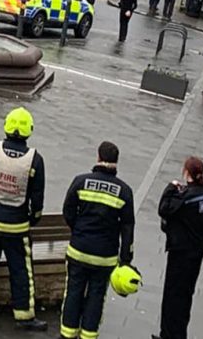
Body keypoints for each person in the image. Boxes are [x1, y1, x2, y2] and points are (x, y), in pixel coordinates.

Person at [0, 107, 48, 332]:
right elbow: (37, 197)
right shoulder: (35, 160)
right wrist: (32, 217)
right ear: (28, 131)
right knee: (21, 271)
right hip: (16, 227)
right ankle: (24, 316)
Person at [60, 141, 135, 339]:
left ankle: (67, 333)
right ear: (116, 162)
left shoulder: (80, 181)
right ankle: (88, 335)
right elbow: (128, 227)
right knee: (96, 296)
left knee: (73, 292)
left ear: (98, 157)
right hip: (105, 256)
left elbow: (68, 211)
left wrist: (78, 230)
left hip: (79, 250)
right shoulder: (124, 191)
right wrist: (126, 259)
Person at [153, 157, 203, 339]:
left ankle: (169, 334)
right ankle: (178, 333)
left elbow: (164, 208)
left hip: (181, 253)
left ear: (186, 172)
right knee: (186, 295)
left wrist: (171, 187)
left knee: (173, 296)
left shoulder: (186, 198)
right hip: (197, 251)